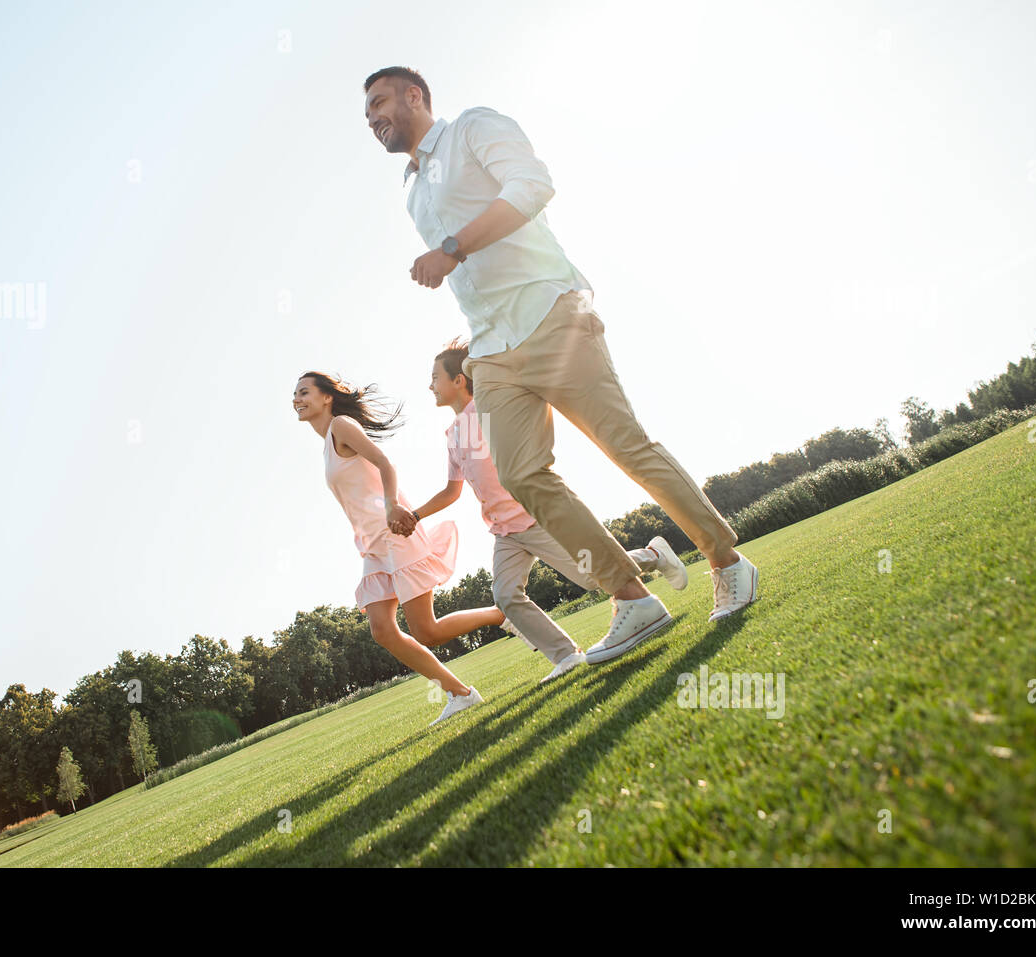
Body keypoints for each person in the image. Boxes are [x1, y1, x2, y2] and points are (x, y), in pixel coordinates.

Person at [361, 66, 758, 664]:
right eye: (367, 113)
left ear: (415, 96)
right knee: (522, 476)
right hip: (490, 349)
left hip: (551, 312)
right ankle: (632, 597)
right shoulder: (412, 190)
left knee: (625, 445)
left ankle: (727, 561)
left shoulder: (473, 127)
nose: (373, 118)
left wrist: (449, 249)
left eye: (380, 102)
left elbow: (532, 186)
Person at [405, 338, 688, 683]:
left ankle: (652, 554)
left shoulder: (488, 410)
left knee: (589, 577)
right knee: (507, 595)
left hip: (534, 513)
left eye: (435, 377)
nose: (430, 385)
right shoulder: (452, 433)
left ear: (459, 380)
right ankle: (565, 654)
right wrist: (415, 516)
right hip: (503, 530)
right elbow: (453, 489)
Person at [294, 370, 504, 725]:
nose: (296, 399)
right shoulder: (327, 443)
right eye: (294, 394)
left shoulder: (342, 426)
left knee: (427, 631)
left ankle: (505, 613)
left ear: (327, 397)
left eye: (303, 392)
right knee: (383, 630)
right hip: (373, 546)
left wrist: (392, 505)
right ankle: (460, 694)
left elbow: (385, 463)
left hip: (395, 533)